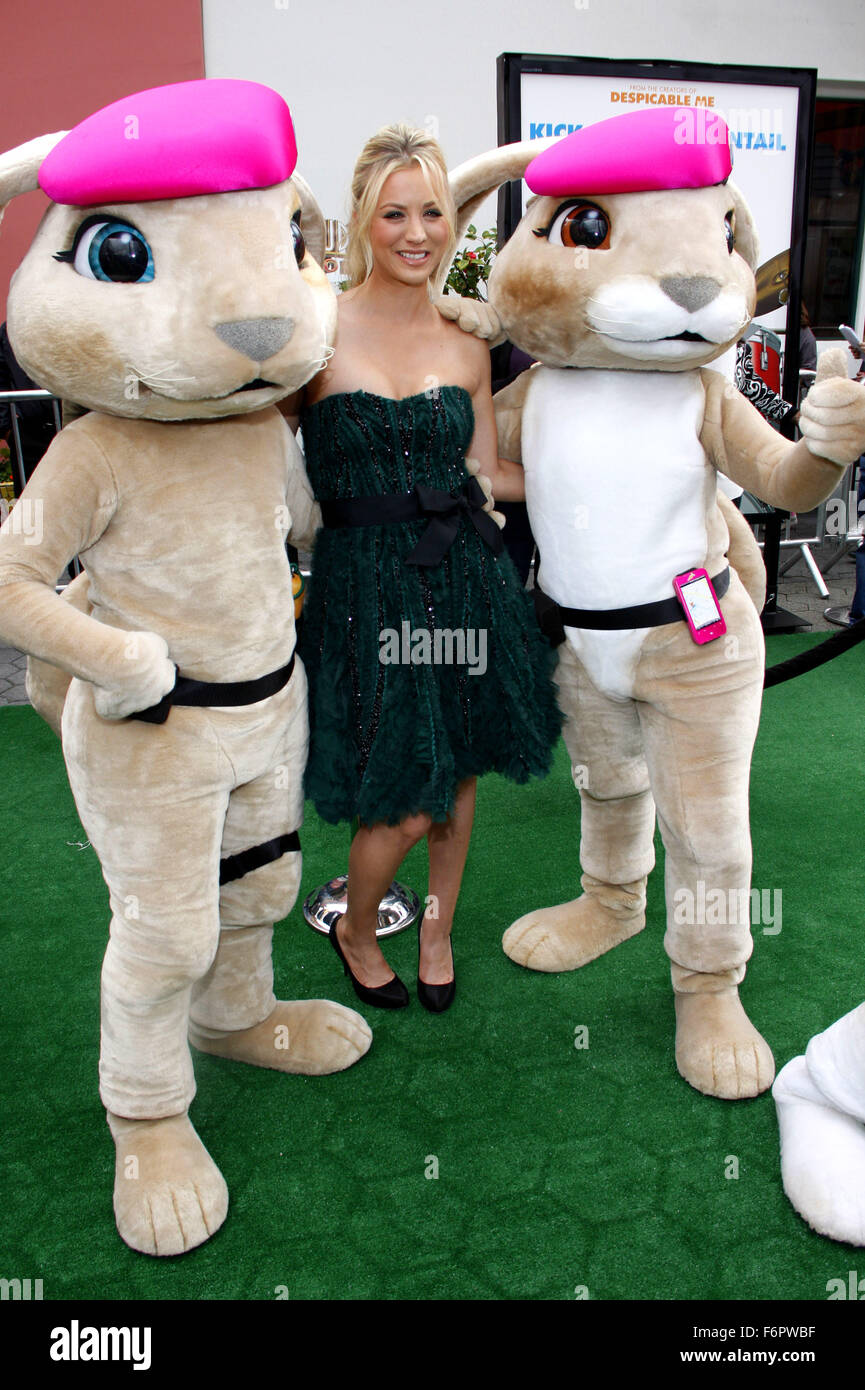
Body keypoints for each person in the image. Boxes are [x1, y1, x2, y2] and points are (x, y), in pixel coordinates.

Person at [297, 124, 561, 1012]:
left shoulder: (465, 343)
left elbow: (486, 477)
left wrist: (631, 473)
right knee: (402, 796)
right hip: (364, 588)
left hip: (463, 583)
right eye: (394, 214)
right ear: (363, 223)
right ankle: (357, 927)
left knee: (456, 780)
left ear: (454, 222)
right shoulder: (313, 334)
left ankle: (439, 931)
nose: (417, 233)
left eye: (433, 212)